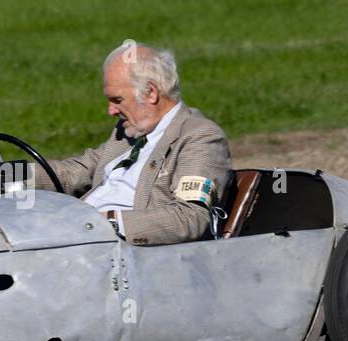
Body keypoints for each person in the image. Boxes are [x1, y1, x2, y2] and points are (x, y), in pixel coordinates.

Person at [27, 43, 232, 246]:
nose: (111, 110)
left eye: (117, 99)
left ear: (150, 93)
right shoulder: (128, 132)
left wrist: (98, 223)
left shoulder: (200, 136)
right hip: (73, 237)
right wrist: (2, 176)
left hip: (117, 255)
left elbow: (189, 218)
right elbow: (72, 173)